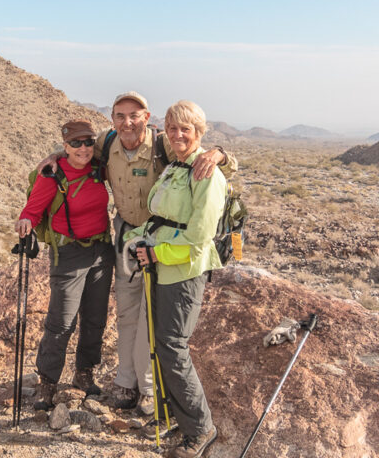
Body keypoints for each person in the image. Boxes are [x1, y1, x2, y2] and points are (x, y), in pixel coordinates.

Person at [37, 91, 236, 417]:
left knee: (151, 318)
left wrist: (220, 154)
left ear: (147, 117)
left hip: (162, 242)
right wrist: (55, 156)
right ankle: (124, 381)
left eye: (135, 115)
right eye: (120, 116)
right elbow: (79, 149)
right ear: (113, 120)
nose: (127, 122)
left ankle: (148, 388)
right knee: (127, 312)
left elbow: (198, 150)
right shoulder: (107, 142)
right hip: (127, 237)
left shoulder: (164, 144)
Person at [129, 100, 224, 458]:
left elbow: (199, 238)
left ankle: (201, 430)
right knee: (161, 346)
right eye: (172, 128)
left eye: (186, 128)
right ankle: (179, 421)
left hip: (183, 272)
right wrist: (134, 240)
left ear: (199, 132)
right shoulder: (176, 167)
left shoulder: (207, 175)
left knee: (172, 347)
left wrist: (157, 253)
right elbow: (160, 219)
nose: (178, 134)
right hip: (160, 267)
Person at [15, 119, 115, 410]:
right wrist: (25, 223)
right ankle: (47, 382)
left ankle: (84, 375)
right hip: (69, 253)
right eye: (75, 143)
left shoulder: (99, 167)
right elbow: (32, 210)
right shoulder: (53, 174)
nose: (82, 148)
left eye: (87, 142)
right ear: (65, 146)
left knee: (95, 318)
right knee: (61, 322)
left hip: (101, 250)